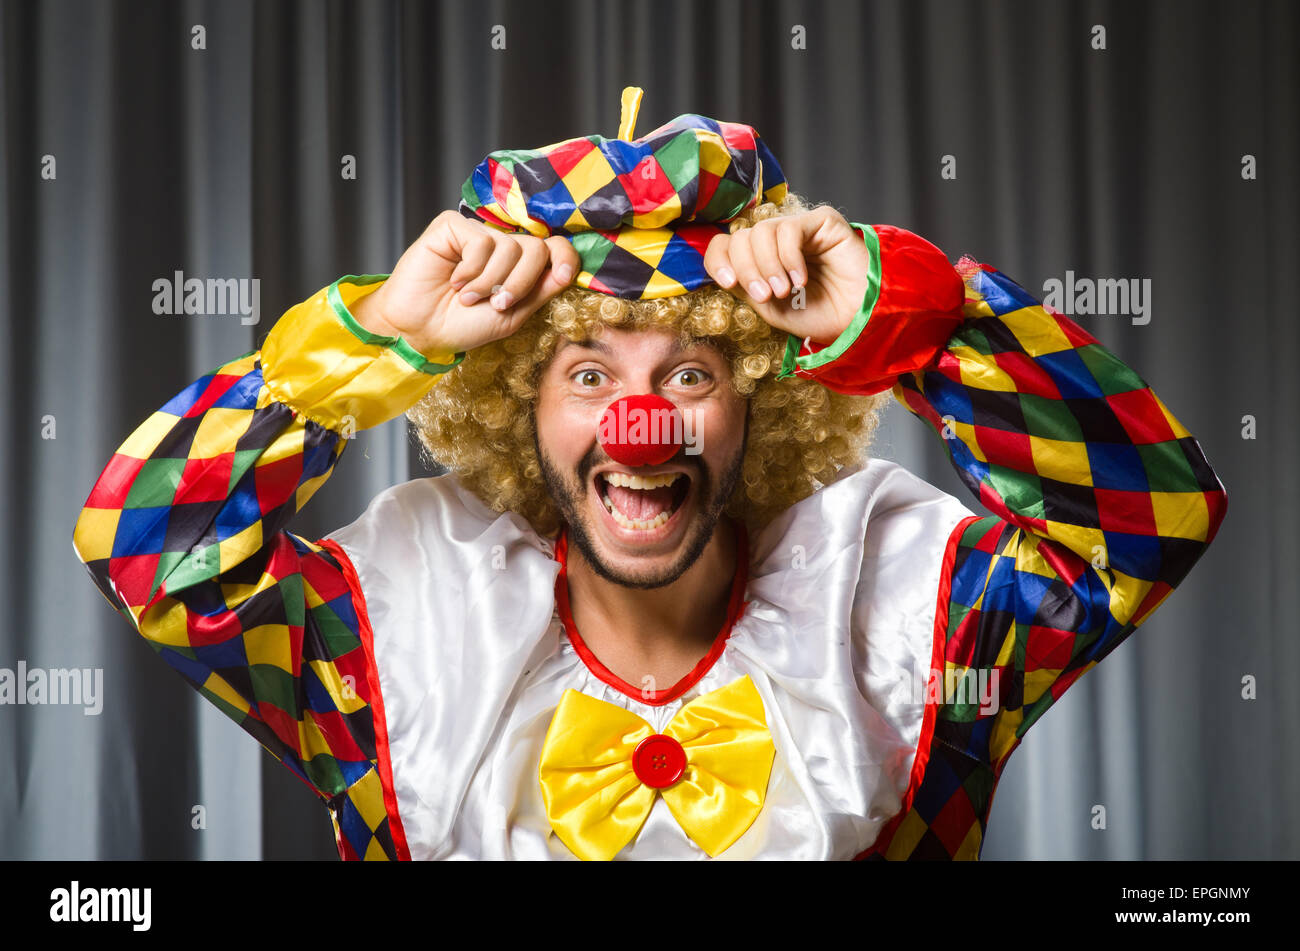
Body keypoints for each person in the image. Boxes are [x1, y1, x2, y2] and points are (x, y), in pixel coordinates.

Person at [73, 88, 1227, 860]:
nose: (637, 422)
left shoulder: (917, 610)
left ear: (763, 401)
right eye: (585, 373)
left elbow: (1146, 522)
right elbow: (146, 552)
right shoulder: (384, 637)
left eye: (689, 375)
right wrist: (370, 339)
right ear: (513, 405)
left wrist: (916, 323)